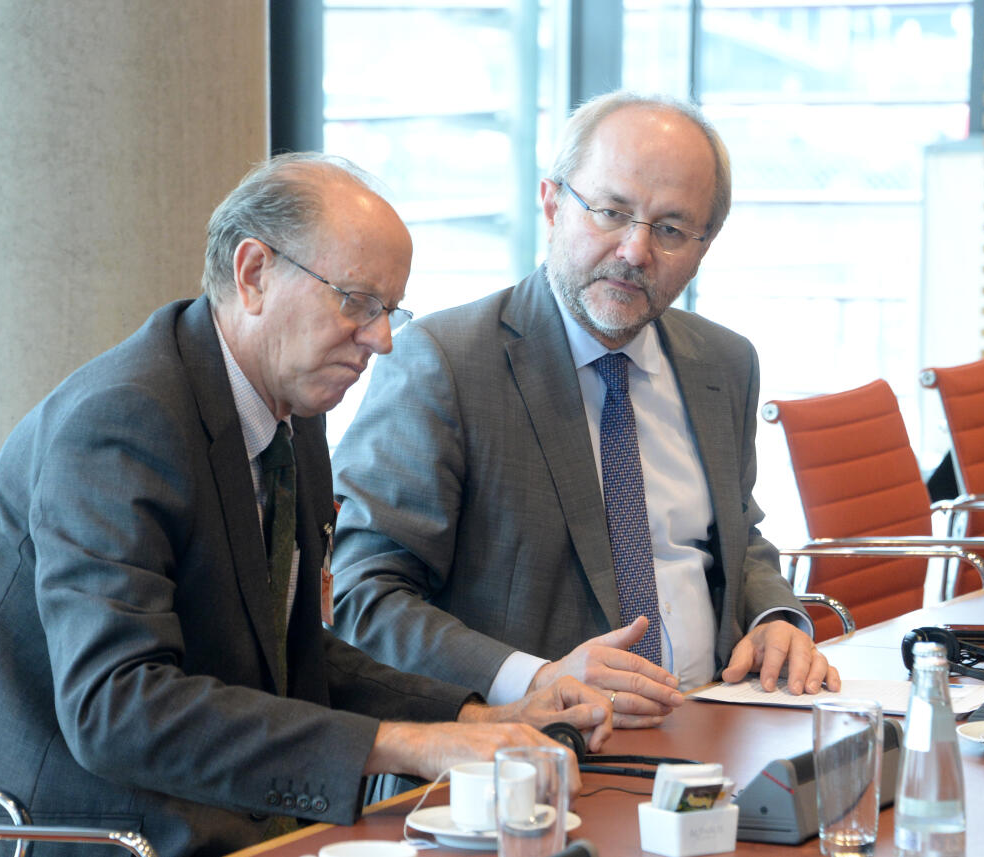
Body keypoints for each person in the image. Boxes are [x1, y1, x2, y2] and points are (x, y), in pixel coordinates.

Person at [0, 154, 612, 857]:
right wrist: (409, 744)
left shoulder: (293, 413)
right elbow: (116, 708)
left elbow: (291, 650)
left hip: (205, 809)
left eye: (389, 309)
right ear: (252, 274)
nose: (383, 339)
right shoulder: (119, 422)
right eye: (357, 302)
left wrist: (477, 715)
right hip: (71, 825)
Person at [330, 91, 840, 733]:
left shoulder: (724, 363)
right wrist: (535, 679)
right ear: (551, 202)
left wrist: (775, 620)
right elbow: (363, 600)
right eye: (610, 212)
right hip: (527, 755)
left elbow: (736, 535)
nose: (635, 250)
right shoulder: (445, 363)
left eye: (672, 229)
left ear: (705, 246)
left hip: (716, 723)